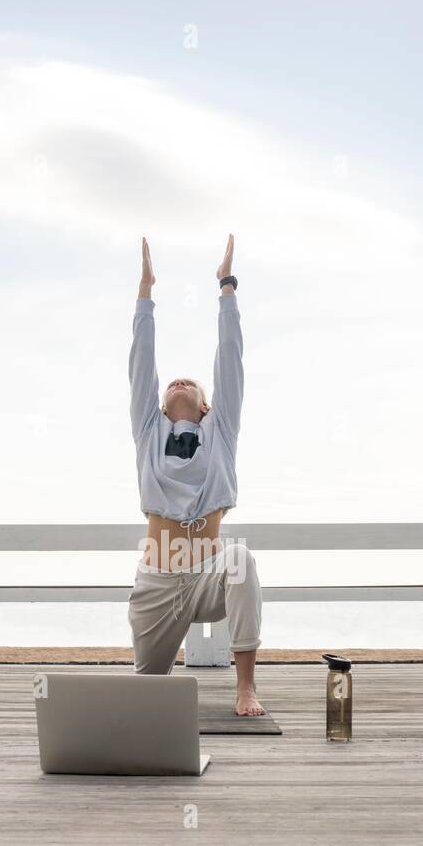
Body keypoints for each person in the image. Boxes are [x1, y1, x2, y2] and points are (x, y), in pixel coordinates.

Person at [127, 234, 264, 717]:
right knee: (145, 699)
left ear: (207, 405)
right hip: (158, 576)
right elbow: (141, 364)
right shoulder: (148, 431)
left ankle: (245, 687)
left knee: (241, 560)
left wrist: (226, 287)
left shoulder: (220, 432)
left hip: (208, 570)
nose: (177, 380)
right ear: (160, 405)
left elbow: (231, 360)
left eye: (190, 382)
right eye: (171, 383)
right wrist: (146, 292)